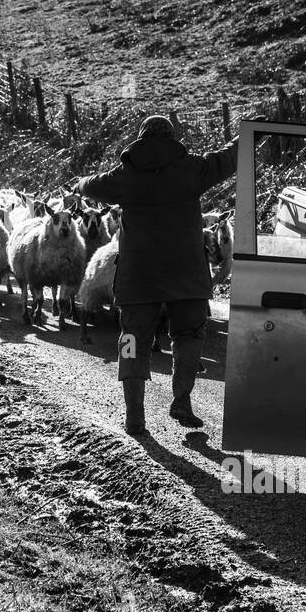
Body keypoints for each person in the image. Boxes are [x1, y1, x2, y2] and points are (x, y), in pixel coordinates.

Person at [74, 114, 241, 436]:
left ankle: (134, 415)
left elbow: (91, 185)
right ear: (172, 137)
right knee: (190, 335)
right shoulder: (193, 168)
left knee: (132, 340)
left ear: (141, 138)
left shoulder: (124, 175)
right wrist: (249, 136)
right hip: (187, 272)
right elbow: (229, 157)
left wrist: (79, 182)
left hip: (139, 274)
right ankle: (182, 400)